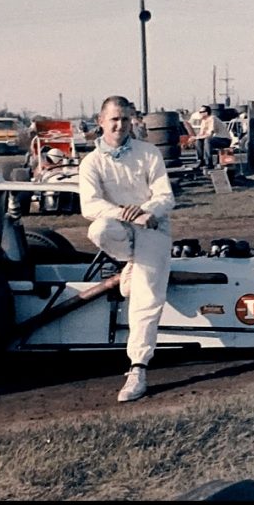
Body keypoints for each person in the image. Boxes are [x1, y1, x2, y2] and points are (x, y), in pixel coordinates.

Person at [78, 95, 175, 402]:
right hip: (120, 227)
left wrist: (146, 212)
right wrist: (126, 213)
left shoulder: (148, 153)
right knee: (99, 228)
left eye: (125, 119)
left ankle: (138, 367)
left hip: (153, 229)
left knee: (146, 293)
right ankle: (130, 261)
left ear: (133, 120)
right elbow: (89, 205)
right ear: (101, 122)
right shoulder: (91, 162)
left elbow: (166, 196)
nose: (120, 125)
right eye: (114, 119)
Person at [190, 105, 232, 170]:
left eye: (201, 112)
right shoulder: (204, 121)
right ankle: (201, 160)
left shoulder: (212, 118)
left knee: (207, 140)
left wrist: (196, 137)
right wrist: (195, 138)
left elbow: (210, 135)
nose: (200, 113)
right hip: (215, 139)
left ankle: (208, 163)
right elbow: (201, 134)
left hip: (224, 140)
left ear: (206, 113)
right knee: (199, 141)